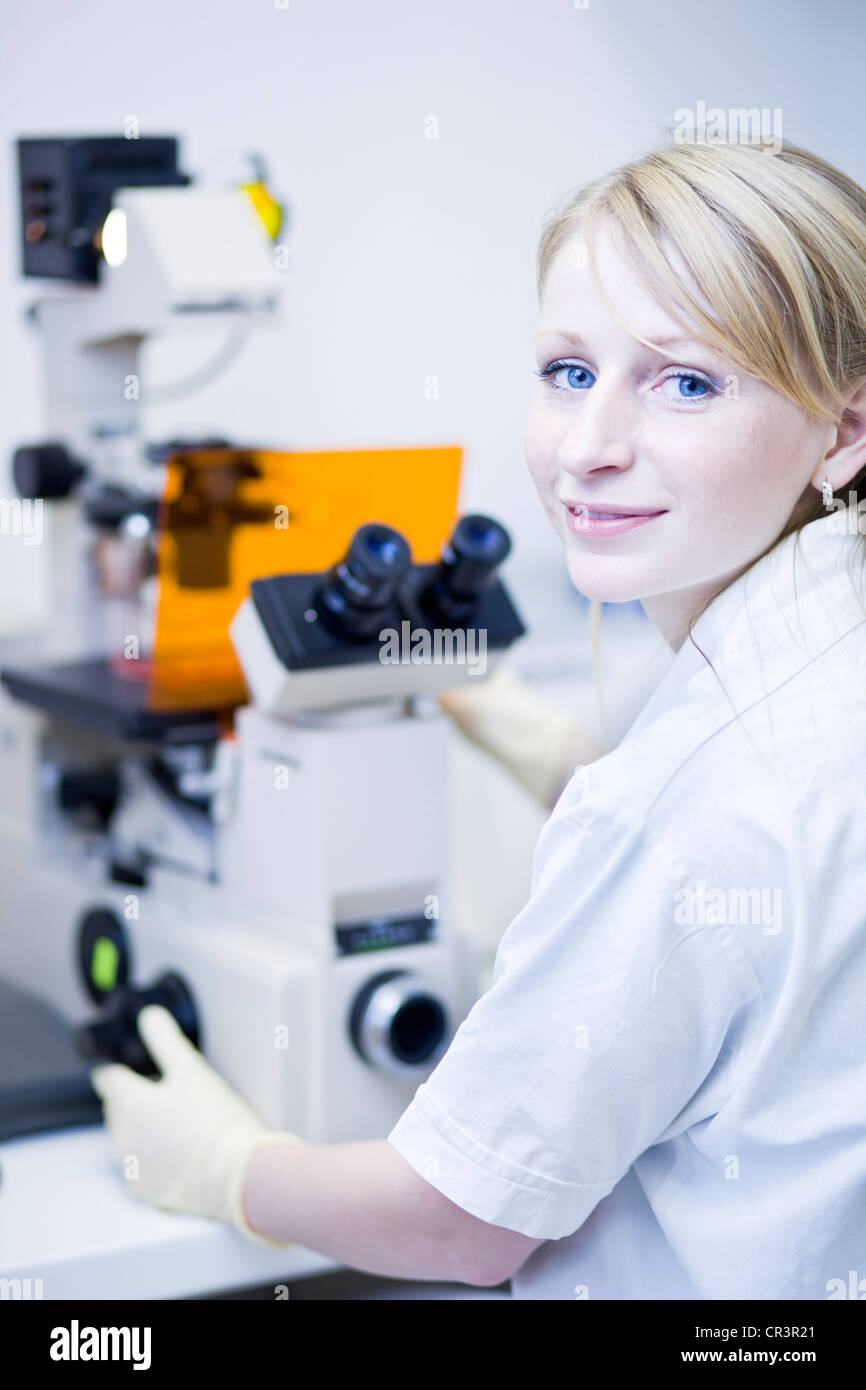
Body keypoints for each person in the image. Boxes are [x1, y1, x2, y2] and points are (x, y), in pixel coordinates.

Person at [91, 134, 866, 1299]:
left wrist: (229, 1169)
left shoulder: (681, 803)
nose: (589, 448)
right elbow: (769, 897)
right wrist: (550, 749)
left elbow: (460, 1224)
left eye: (685, 381)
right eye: (566, 371)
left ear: (843, 431)